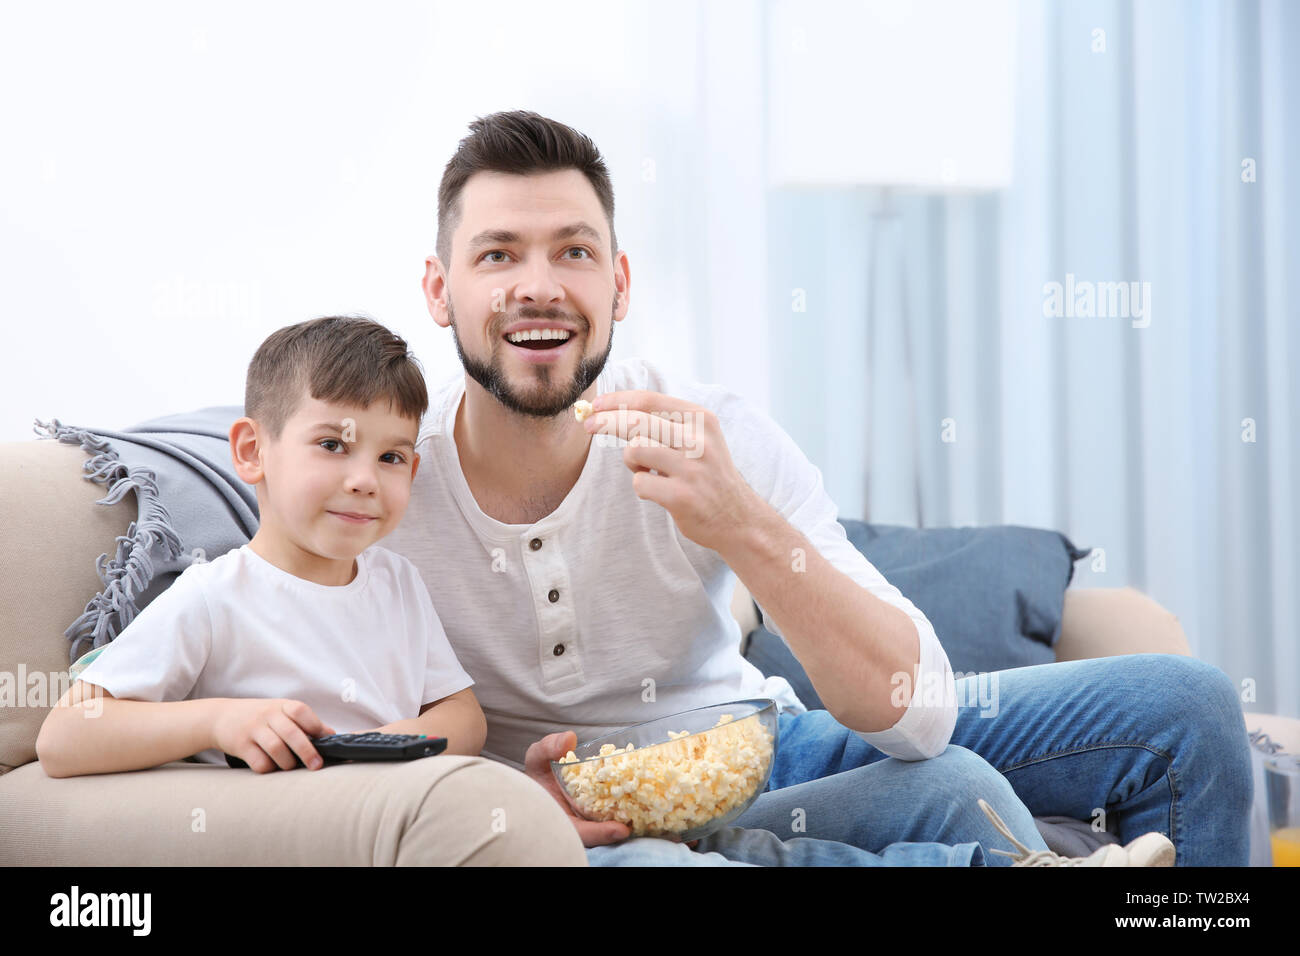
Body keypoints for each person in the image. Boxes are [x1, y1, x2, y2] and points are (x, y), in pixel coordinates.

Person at [385, 110, 1252, 867]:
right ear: (439, 289)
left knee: (1189, 707)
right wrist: (502, 805)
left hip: (768, 752)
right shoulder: (383, 483)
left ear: (617, 284)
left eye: (573, 251)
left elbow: (917, 720)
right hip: (558, 814)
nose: (538, 285)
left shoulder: (714, 434)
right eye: (497, 254)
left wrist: (742, 525)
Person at [36, 316, 488, 776]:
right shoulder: (216, 597)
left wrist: (391, 746)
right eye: (332, 444)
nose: (364, 481)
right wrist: (217, 721)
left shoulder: (399, 582)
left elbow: (463, 714)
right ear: (252, 452)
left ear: (412, 471)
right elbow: (63, 737)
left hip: (394, 818)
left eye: (390, 457)